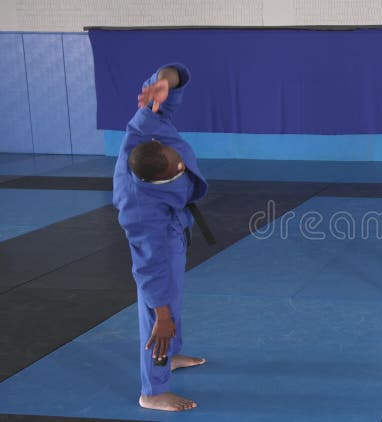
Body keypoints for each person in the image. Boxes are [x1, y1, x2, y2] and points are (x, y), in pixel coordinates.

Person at [113, 63, 210, 411]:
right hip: (160, 231)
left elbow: (173, 73)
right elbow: (147, 267)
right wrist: (162, 315)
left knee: (174, 292)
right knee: (158, 311)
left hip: (171, 221)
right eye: (176, 170)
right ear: (153, 183)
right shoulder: (139, 211)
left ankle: (171, 356)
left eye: (177, 161)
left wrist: (164, 82)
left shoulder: (147, 124)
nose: (182, 165)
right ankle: (152, 390)